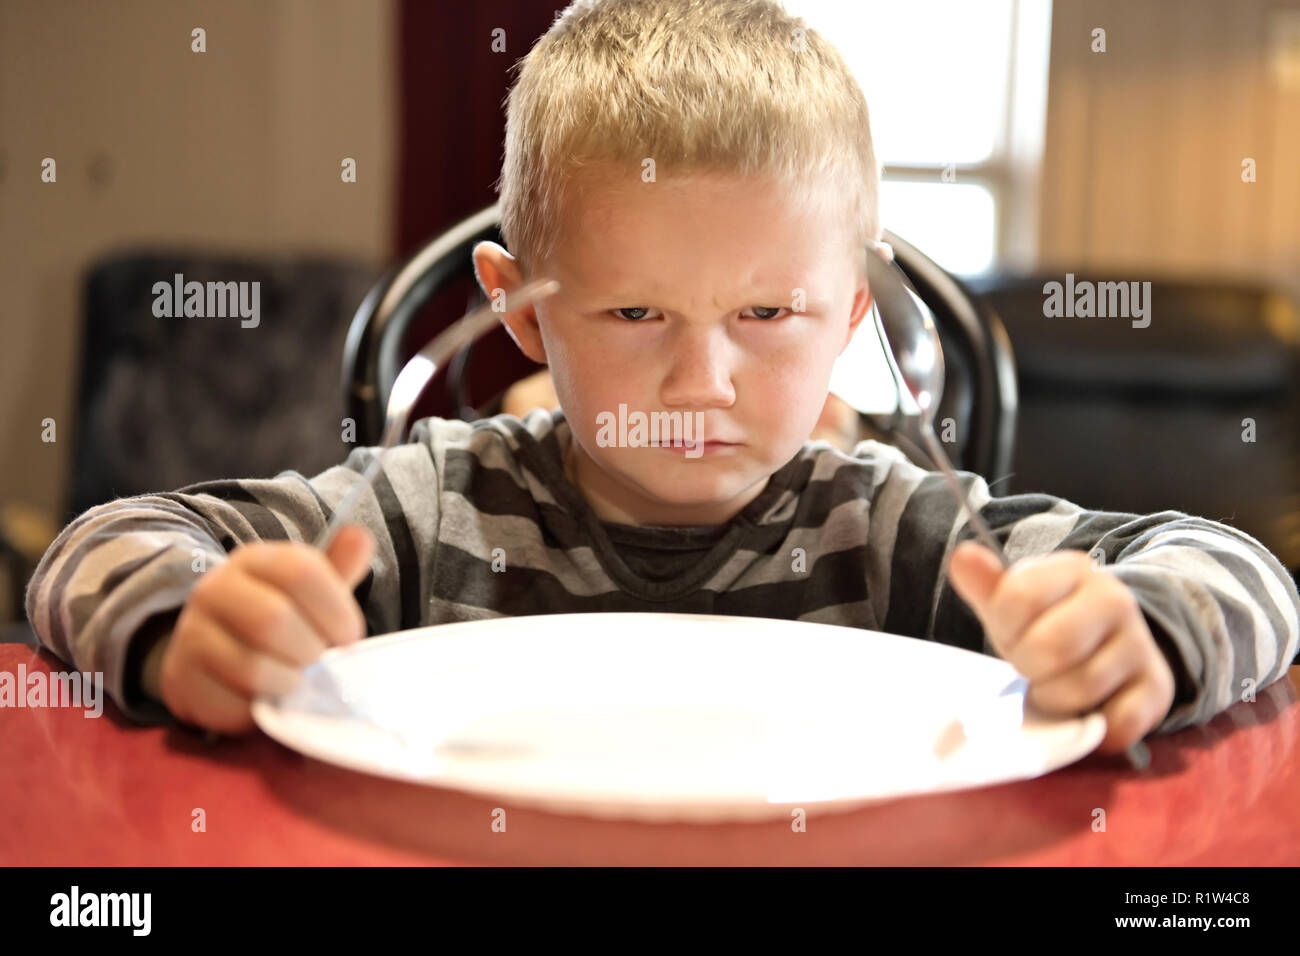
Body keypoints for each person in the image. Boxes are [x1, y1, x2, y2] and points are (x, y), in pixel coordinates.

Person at [26, 0, 1299, 758]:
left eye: (769, 311)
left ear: (850, 313)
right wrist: (188, 623)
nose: (703, 376)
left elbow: (1240, 569)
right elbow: (99, 544)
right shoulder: (425, 511)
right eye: (634, 310)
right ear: (514, 308)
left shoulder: (894, 522)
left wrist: (1146, 635)